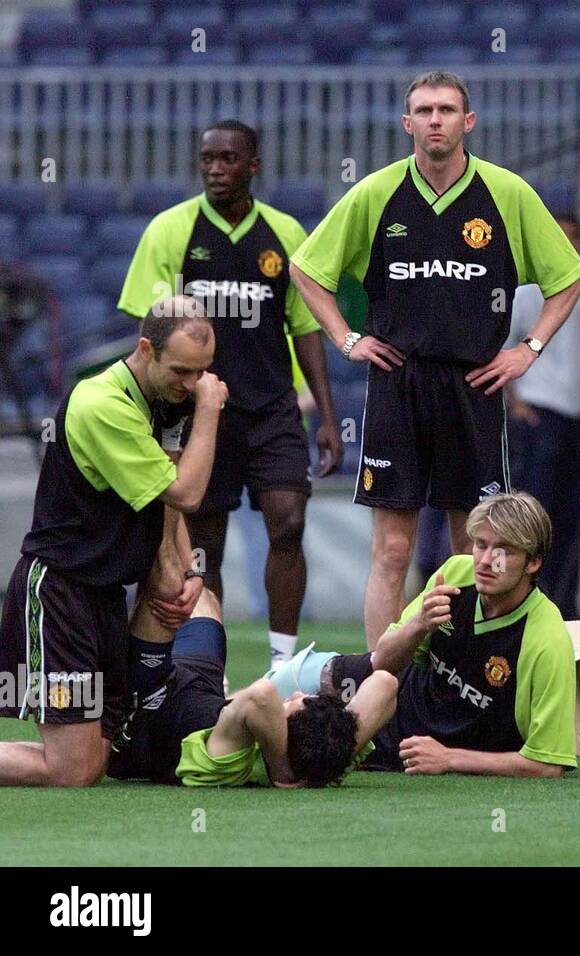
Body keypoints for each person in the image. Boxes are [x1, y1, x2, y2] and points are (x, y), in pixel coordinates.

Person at [289, 70, 580, 648]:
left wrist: (529, 350)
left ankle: (464, 670)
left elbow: (569, 278)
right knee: (393, 548)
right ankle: (383, 682)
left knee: (474, 547)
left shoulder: (508, 193)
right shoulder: (376, 193)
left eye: (447, 110)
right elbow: (306, 269)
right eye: (424, 111)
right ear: (407, 124)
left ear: (467, 122)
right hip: (397, 383)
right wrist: (348, 338)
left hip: (473, 384)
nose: (435, 121)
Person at [119, 119, 342, 669]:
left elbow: (306, 328)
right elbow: (149, 337)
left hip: (272, 407)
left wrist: (330, 418)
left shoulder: (286, 234)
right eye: (207, 159)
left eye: (228, 159)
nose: (216, 169)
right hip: (197, 415)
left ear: (254, 166)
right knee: (205, 546)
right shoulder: (171, 231)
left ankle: (281, 664)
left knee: (288, 520)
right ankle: (205, 666)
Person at [0, 297, 226, 787]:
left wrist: (189, 570)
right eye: (184, 372)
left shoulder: (162, 401)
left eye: (204, 373)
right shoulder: (102, 404)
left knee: (98, 756)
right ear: (146, 349)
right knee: (73, 771)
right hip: (59, 592)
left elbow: (162, 495)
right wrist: (209, 410)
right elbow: (184, 492)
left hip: (101, 595)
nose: (194, 385)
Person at [270, 493, 577, 778]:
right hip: (374, 697)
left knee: (289, 754)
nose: (485, 561)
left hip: (395, 746)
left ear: (533, 562)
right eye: (480, 544)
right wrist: (418, 624)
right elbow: (381, 660)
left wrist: (449, 758)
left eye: (504, 551)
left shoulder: (546, 640)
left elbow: (548, 763)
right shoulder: (457, 572)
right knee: (262, 703)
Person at [108, 586, 397, 788]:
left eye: (296, 703)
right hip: (202, 682)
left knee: (168, 589)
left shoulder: (236, 761)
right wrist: (339, 750)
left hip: (148, 703)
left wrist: (281, 768)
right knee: (200, 596)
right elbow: (386, 684)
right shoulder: (324, 757)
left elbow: (262, 695)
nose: (296, 694)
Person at [504, 213, 580, 620]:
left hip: (577, 415)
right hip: (540, 414)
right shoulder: (528, 293)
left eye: (575, 241)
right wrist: (515, 402)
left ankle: (564, 603)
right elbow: (503, 346)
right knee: (535, 513)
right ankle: (528, 601)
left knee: (570, 513)